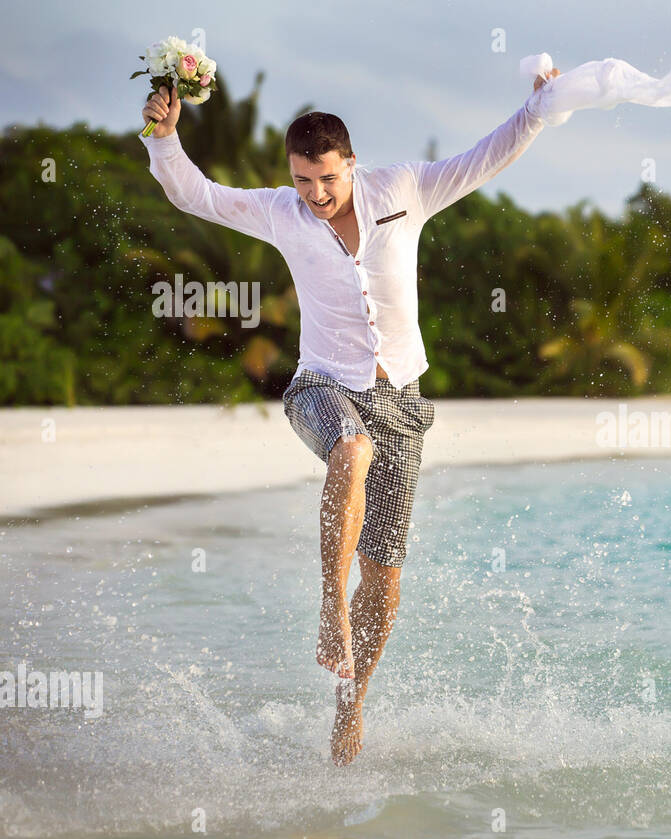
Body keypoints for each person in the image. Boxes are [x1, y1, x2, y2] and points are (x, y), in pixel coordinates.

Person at [139, 66, 560, 765]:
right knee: (350, 448)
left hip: (403, 401)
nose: (315, 194)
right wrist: (165, 138)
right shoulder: (281, 210)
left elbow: (486, 156)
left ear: (350, 164)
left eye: (326, 179)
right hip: (321, 386)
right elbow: (196, 194)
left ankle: (351, 704)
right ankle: (330, 610)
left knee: (387, 578)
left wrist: (539, 108)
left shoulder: (403, 190)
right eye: (303, 180)